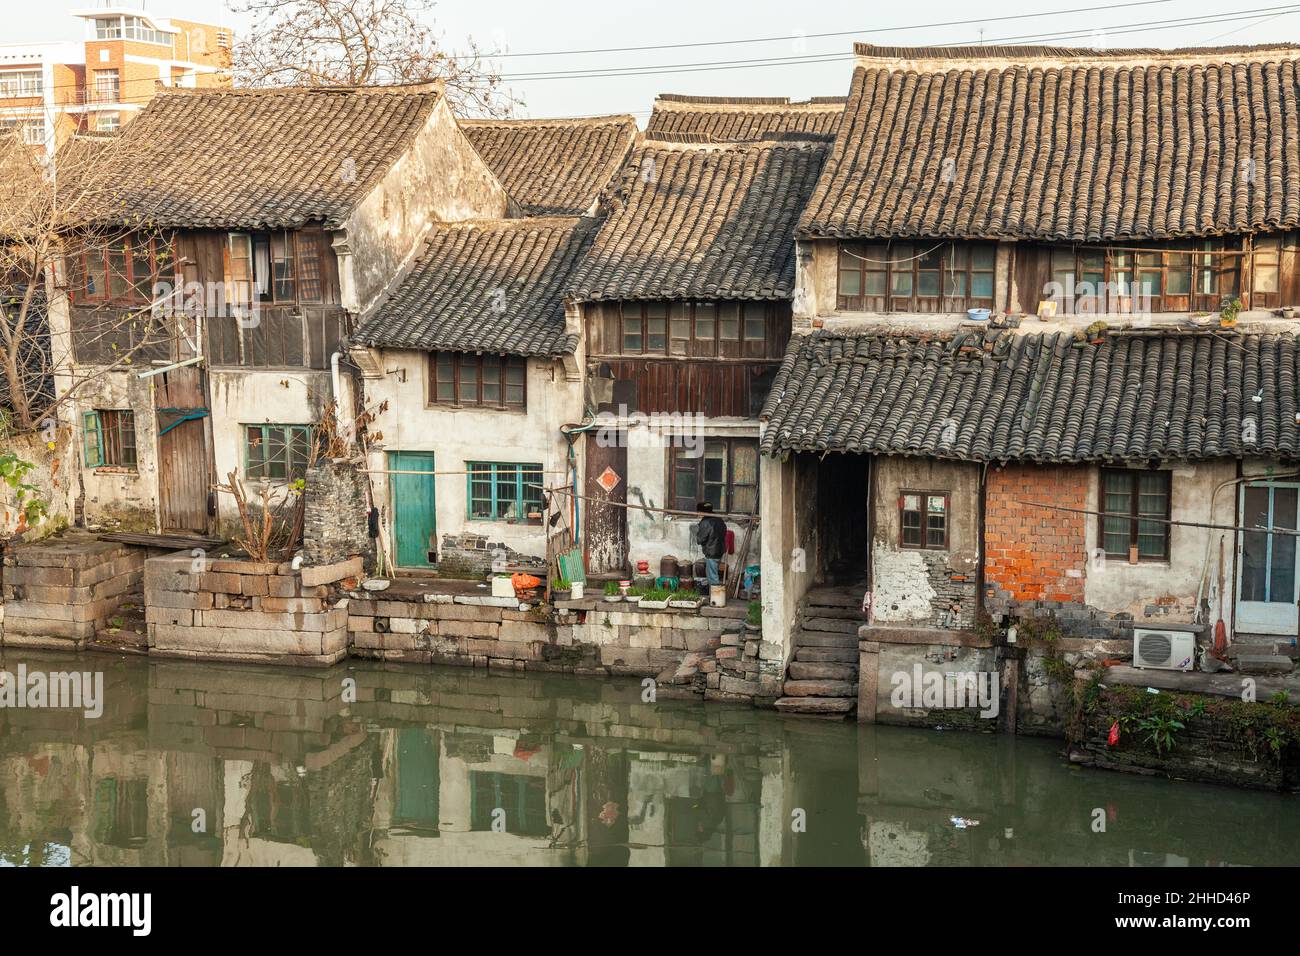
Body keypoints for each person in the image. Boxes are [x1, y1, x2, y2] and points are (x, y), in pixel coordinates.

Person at [695, 501, 727, 587]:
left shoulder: (706, 522)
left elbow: (700, 539)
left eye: (699, 512)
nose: (698, 514)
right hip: (720, 550)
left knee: (713, 576)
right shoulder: (719, 520)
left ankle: (716, 598)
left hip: (711, 552)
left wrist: (697, 533)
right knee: (712, 573)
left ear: (703, 512)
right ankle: (713, 596)